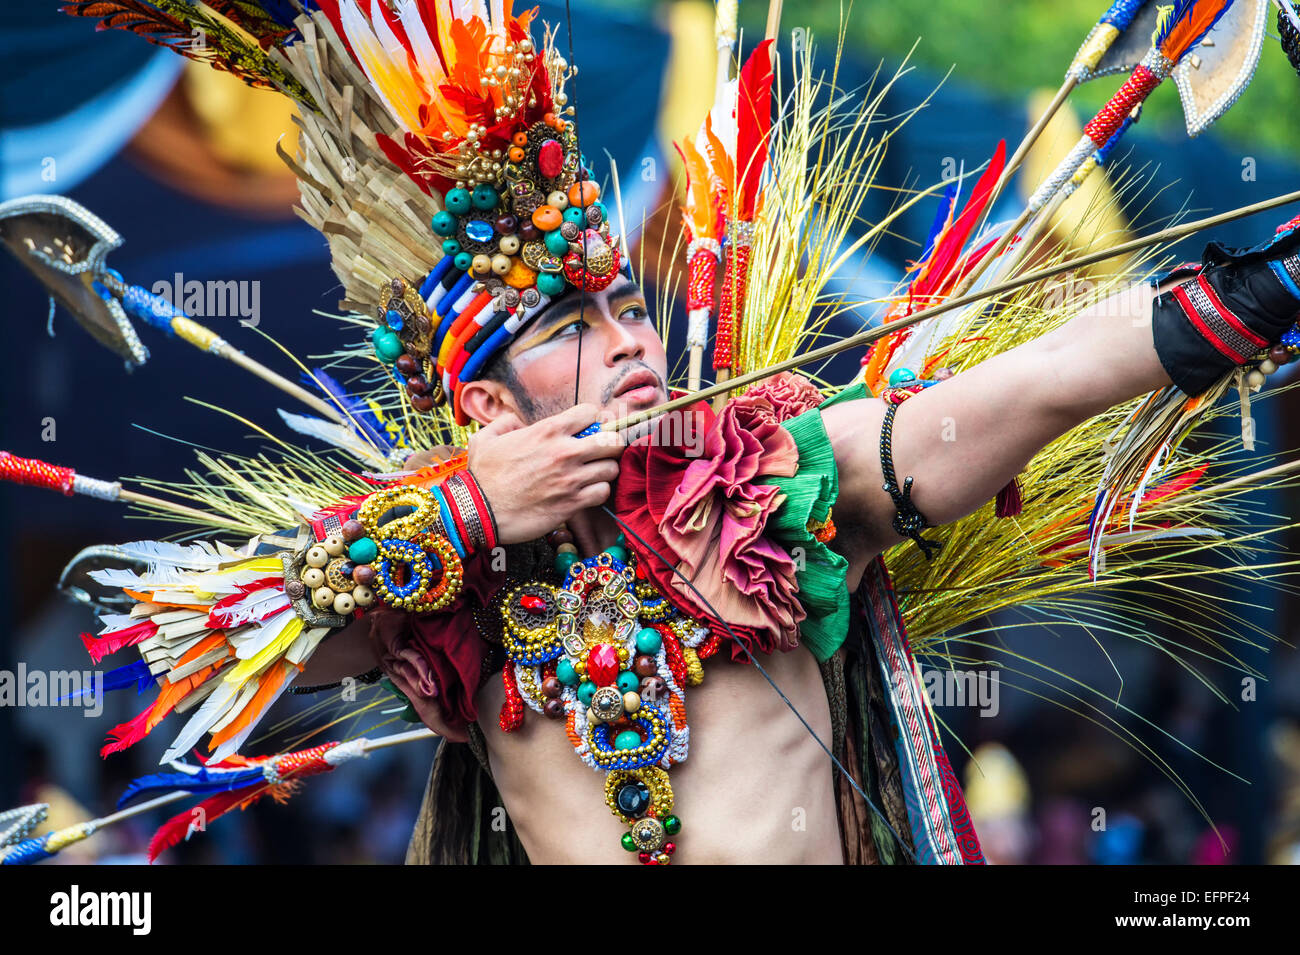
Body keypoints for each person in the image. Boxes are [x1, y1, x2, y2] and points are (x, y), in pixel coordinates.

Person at [27, 0, 1300, 867]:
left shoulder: (774, 477)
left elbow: (1044, 381)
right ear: (479, 403)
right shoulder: (431, 581)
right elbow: (180, 659)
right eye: (573, 324)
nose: (634, 340)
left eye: (630, 304)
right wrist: (464, 513)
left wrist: (1261, 291)